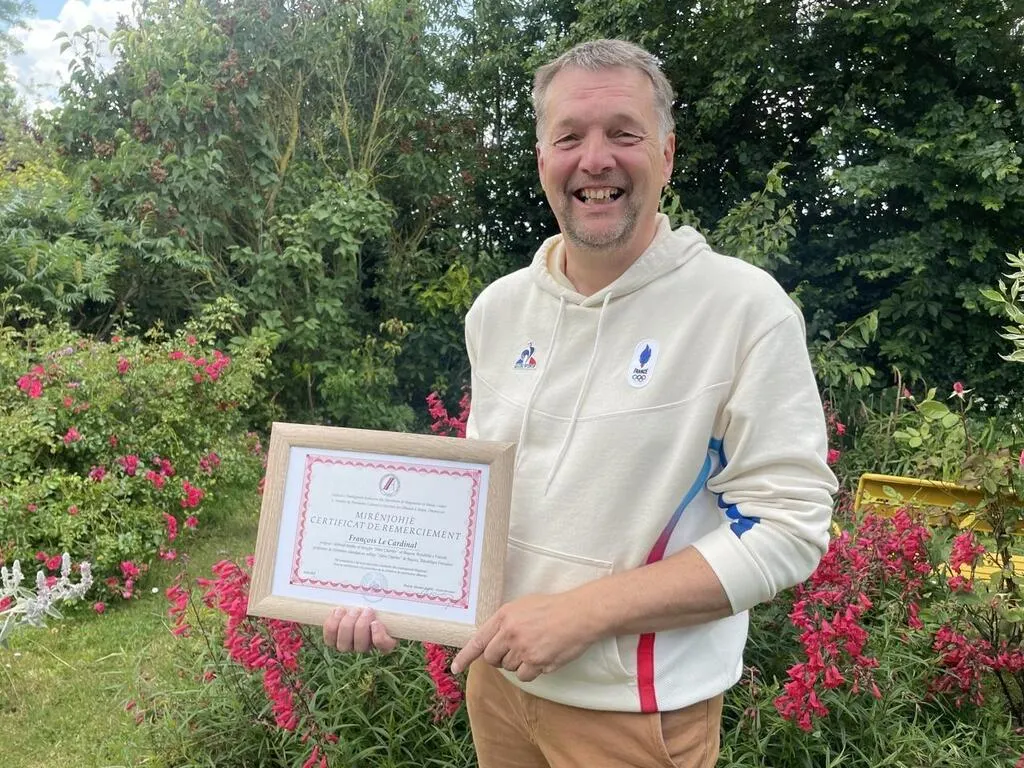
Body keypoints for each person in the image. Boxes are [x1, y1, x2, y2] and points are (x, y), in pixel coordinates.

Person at [324, 38, 837, 767]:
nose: (595, 159)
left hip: (636, 714)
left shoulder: (743, 311)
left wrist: (581, 614)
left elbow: (788, 528)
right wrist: (381, 590)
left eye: (623, 133)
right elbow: (481, 508)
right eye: (569, 136)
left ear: (665, 152)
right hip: (498, 689)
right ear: (542, 161)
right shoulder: (497, 310)